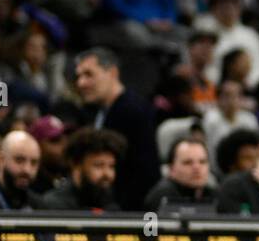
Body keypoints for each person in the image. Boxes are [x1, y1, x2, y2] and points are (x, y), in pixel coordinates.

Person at [73, 47, 160, 210]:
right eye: (79, 76)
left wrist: (121, 216)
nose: (81, 83)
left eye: (89, 74)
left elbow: (145, 173)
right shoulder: (96, 111)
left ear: (112, 73)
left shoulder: (133, 111)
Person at [39, 128, 123, 211]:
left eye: (111, 166)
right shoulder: (53, 205)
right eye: (98, 165)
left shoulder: (111, 205)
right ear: (75, 164)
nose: (107, 174)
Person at [144, 137, 217, 210]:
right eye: (188, 163)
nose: (197, 168)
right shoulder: (162, 197)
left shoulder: (215, 196)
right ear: (171, 168)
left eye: (202, 162)